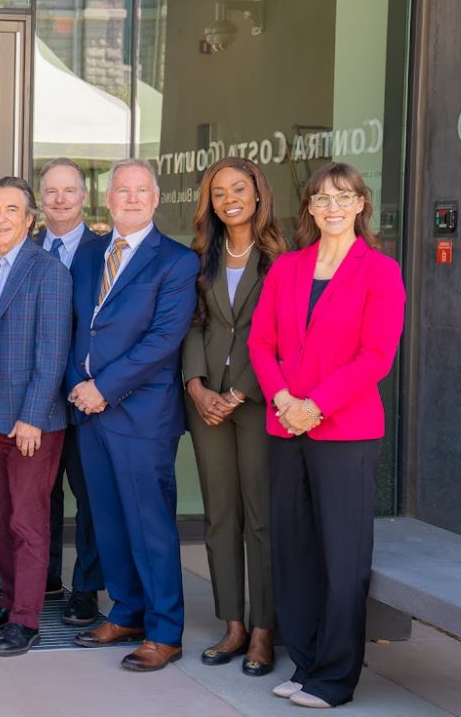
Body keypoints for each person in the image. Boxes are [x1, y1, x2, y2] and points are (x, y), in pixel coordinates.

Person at [248, 162, 405, 709]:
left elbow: (376, 357)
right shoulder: (287, 268)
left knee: (342, 557)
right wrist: (285, 401)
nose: (332, 207)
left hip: (346, 430)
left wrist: (315, 405)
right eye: (321, 199)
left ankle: (336, 678)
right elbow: (260, 344)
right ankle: (308, 663)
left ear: (362, 204)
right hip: (286, 423)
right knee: (293, 551)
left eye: (343, 197)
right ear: (309, 209)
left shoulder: (380, 271)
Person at [66, 158, 199, 672]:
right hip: (88, 409)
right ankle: (126, 611)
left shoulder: (176, 261)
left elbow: (163, 341)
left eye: (141, 190)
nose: (132, 198)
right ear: (109, 198)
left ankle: (166, 632)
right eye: (123, 190)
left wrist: (105, 387)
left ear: (157, 198)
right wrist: (76, 384)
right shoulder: (89, 253)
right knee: (107, 520)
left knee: (150, 525)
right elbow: (77, 326)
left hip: (141, 414)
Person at [183, 157, 286, 676]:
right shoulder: (203, 255)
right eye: (219, 192)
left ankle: (264, 629)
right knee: (220, 514)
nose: (229, 199)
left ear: (257, 193)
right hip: (207, 406)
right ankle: (233, 625)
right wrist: (197, 385)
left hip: (260, 400)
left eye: (238, 188)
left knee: (261, 517)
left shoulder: (282, 257)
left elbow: (283, 333)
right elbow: (194, 325)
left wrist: (240, 391)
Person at [0, 177, 72, 657]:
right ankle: (10, 602)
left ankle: (25, 621)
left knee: (29, 521)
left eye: (12, 210)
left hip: (32, 415)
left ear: (30, 219)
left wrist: (32, 416)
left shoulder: (47, 271)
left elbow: (53, 352)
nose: (1, 218)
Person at [36, 157, 104, 626]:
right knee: (40, 494)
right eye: (51, 191)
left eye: (69, 191)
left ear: (83, 197)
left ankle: (85, 588)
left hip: (84, 394)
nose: (60, 200)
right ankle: (42, 578)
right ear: (41, 199)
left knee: (88, 495)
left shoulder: (105, 252)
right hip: (37, 394)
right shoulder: (23, 248)